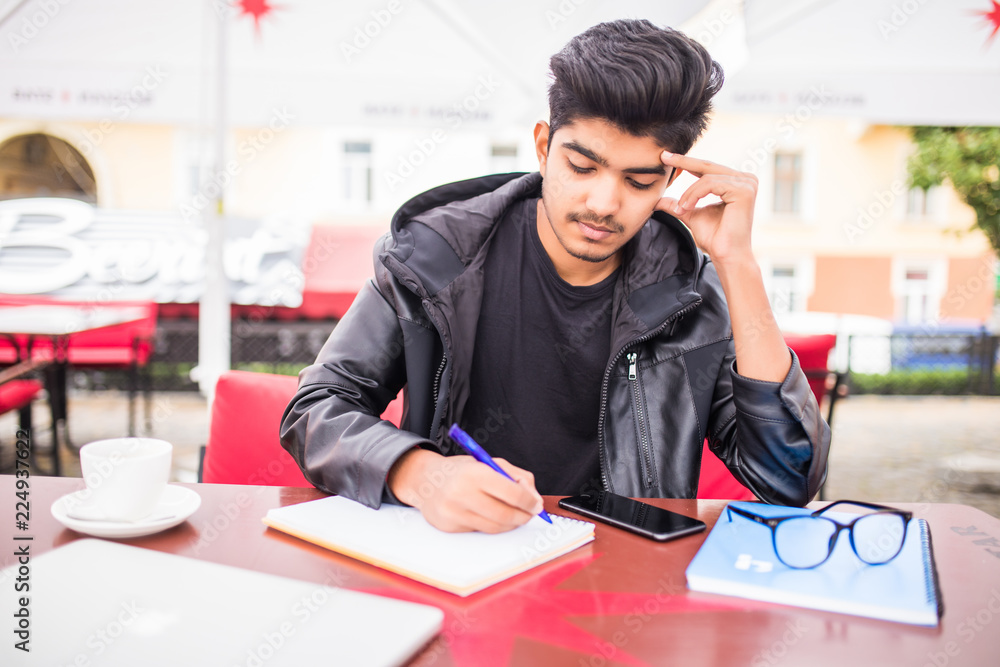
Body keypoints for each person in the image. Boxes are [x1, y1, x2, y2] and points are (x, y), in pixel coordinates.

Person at [280, 19, 830, 534]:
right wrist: (420, 475)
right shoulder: (433, 255)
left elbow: (787, 480)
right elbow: (316, 410)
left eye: (639, 181)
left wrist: (739, 266)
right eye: (582, 167)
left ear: (672, 176)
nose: (603, 203)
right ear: (544, 146)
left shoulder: (692, 288)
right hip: (463, 557)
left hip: (628, 573)